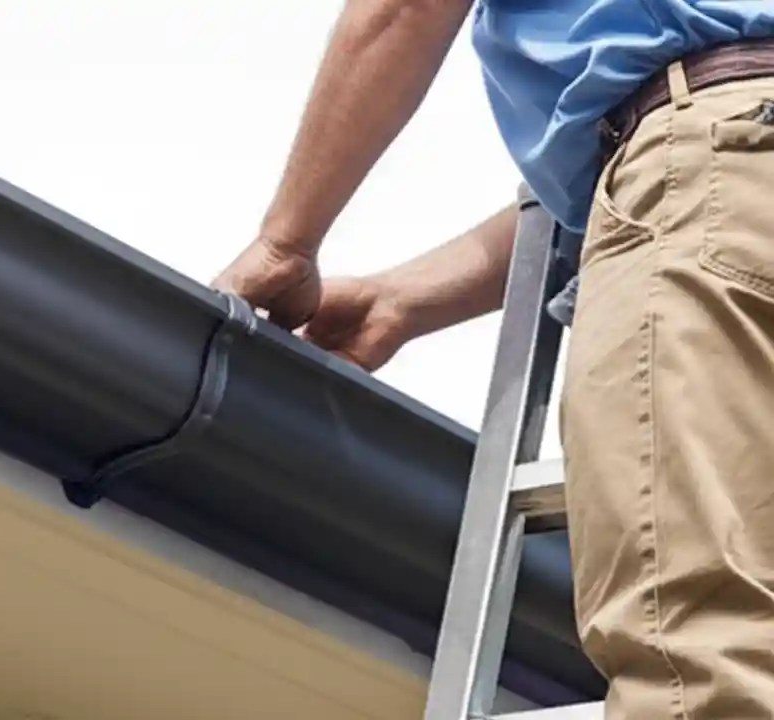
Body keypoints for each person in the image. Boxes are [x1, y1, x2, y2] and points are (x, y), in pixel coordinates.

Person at [211, 1, 774, 717]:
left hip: (724, 157)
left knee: (699, 656)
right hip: (737, 161)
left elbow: (405, 10)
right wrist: (408, 299)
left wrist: (284, 243)